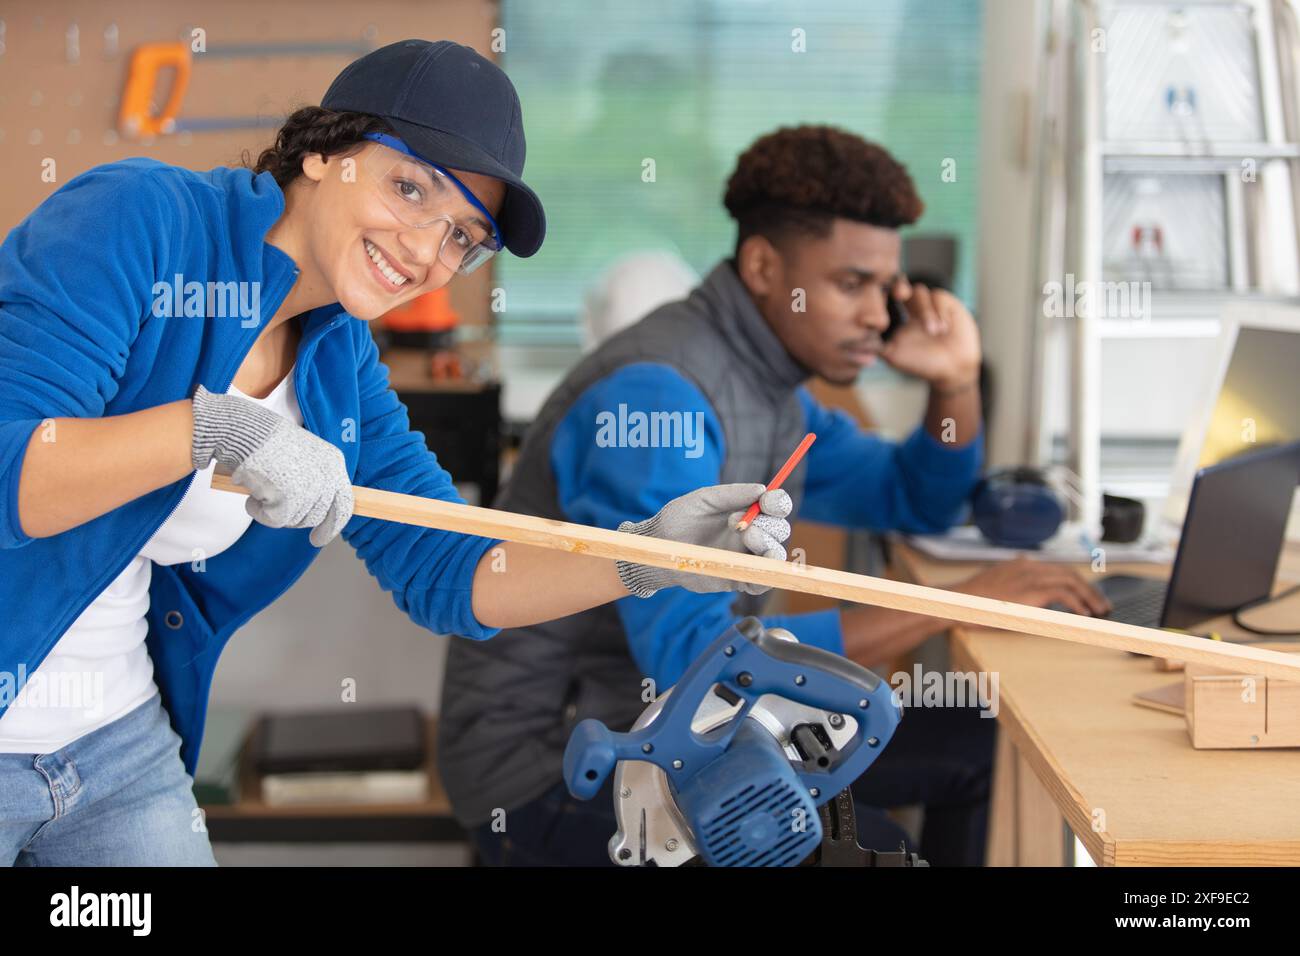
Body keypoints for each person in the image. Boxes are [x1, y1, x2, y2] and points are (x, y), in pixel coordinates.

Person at [0, 40, 793, 866]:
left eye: (462, 236)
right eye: (409, 188)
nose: (425, 252)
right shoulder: (140, 221)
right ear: (321, 150)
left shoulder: (338, 362)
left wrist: (645, 557)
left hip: (114, 742)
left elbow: (451, 569)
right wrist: (215, 430)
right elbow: (11, 469)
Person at [439, 125, 1110, 867]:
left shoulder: (770, 387)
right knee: (883, 853)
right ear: (763, 266)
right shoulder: (658, 395)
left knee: (980, 747)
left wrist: (953, 382)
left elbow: (915, 497)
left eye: (886, 288)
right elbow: (700, 658)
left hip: (715, 727)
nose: (879, 315)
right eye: (850, 285)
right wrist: (964, 600)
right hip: (573, 768)